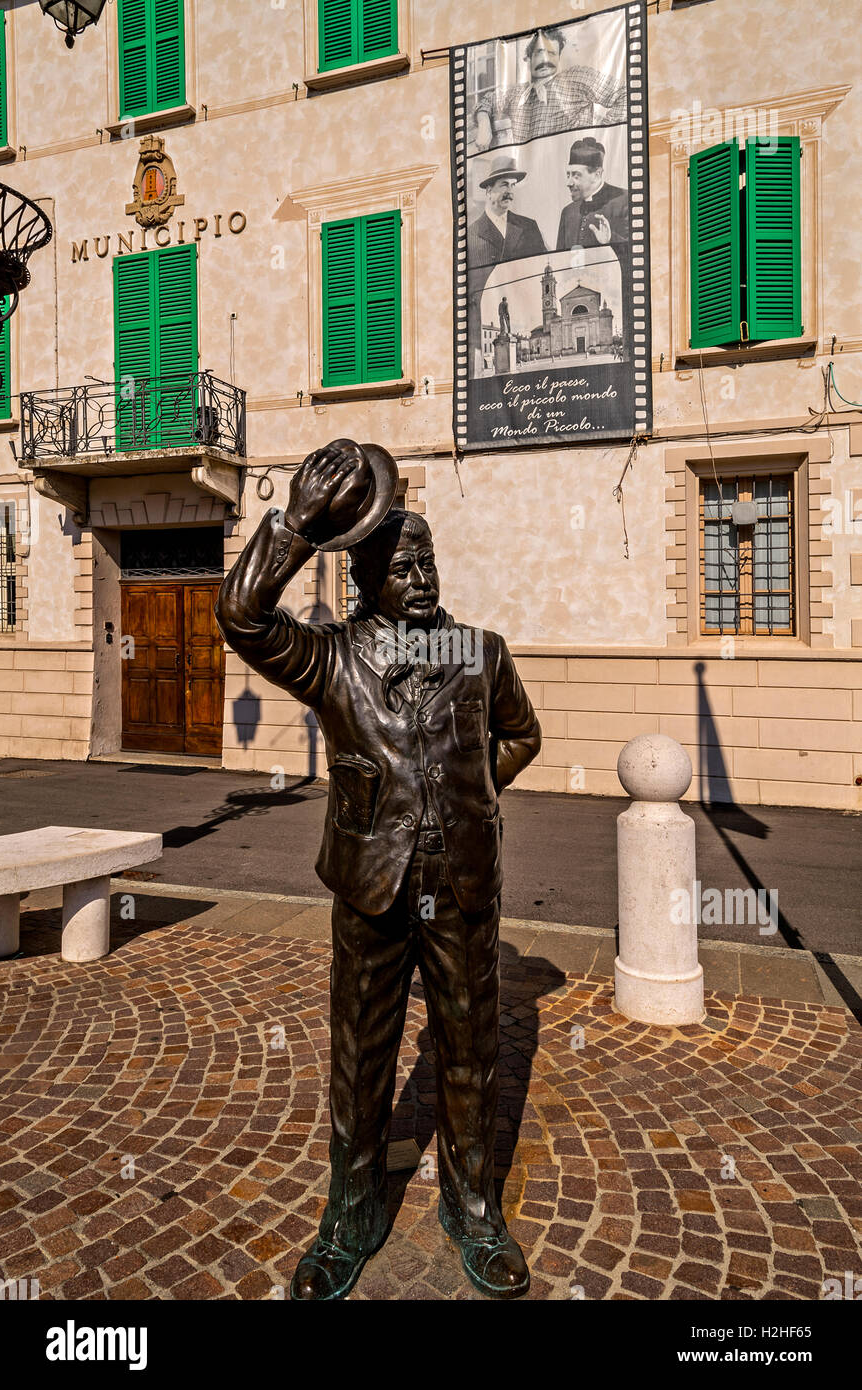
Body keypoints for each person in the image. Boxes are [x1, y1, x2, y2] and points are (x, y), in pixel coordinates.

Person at [215, 440, 542, 1301]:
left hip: (464, 882)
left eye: (428, 561)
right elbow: (241, 616)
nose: (422, 578)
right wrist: (292, 527)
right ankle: (350, 1213)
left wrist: (472, 802)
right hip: (370, 881)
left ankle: (475, 1208)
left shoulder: (482, 650)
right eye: (402, 566)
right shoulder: (327, 658)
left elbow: (521, 737)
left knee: (471, 1047)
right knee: (361, 1053)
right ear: (363, 579)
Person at [474, 26, 627, 150]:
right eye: (540, 53)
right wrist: (484, 126)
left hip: (573, 171)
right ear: (528, 58)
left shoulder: (576, 77)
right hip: (535, 174)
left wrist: (604, 133)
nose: (546, 60)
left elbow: (625, 95)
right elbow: (488, 100)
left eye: (552, 53)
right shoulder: (517, 93)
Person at [467, 156, 546, 269]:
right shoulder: (472, 234)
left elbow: (542, 265)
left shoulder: (529, 227)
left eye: (512, 185)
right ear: (489, 191)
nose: (509, 191)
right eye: (504, 185)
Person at [555, 136, 629, 254]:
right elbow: (560, 260)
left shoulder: (626, 202)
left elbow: (638, 255)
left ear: (597, 174)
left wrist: (611, 240)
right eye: (568, 175)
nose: (568, 183)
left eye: (576, 176)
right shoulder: (568, 212)